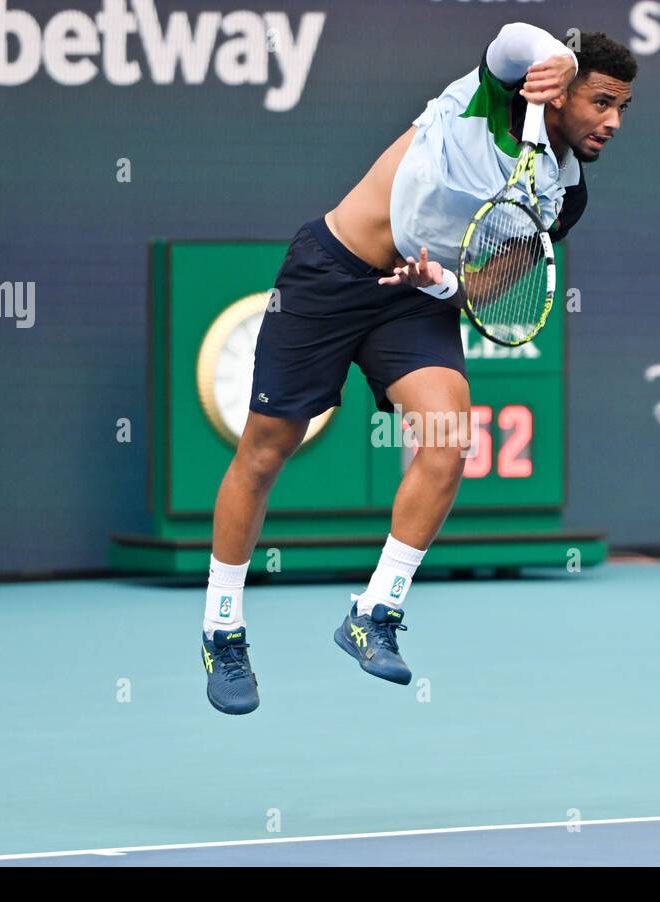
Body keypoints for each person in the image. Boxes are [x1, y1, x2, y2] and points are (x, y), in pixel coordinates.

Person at [200, 25, 636, 714]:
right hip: (330, 272)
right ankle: (222, 629)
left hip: (415, 298)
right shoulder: (491, 98)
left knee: (449, 437)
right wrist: (554, 56)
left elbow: (486, 290)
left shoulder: (565, 196)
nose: (613, 122)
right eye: (602, 102)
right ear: (557, 92)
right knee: (265, 448)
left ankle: (373, 613)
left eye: (623, 108)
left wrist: (440, 283)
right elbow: (510, 40)